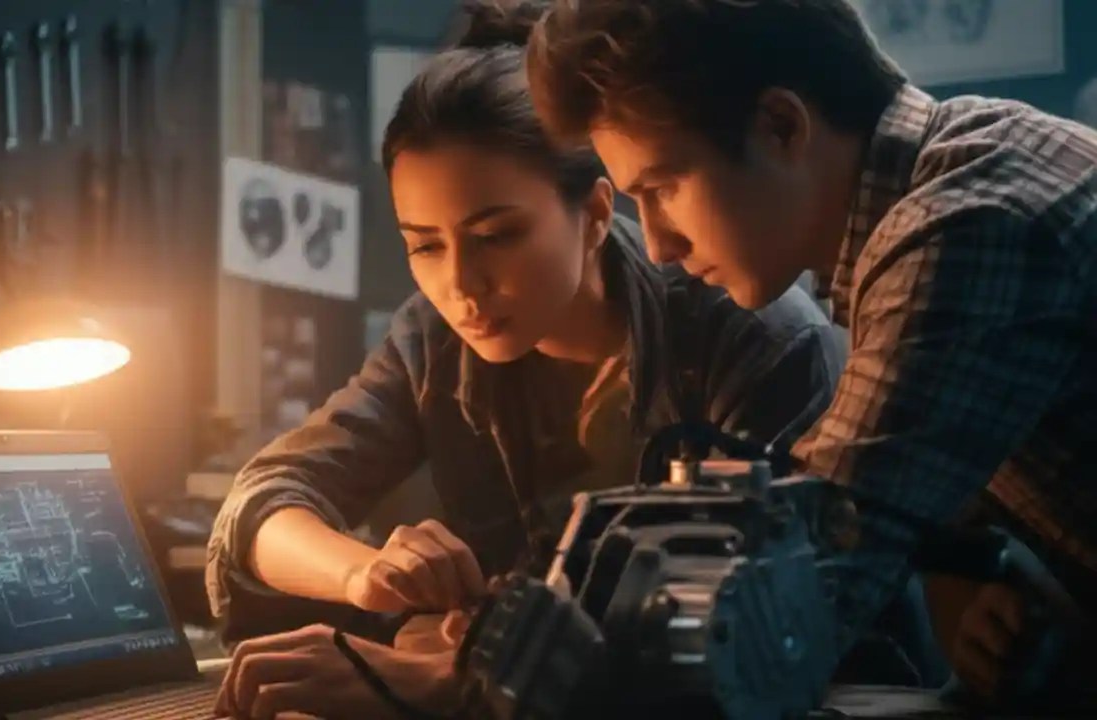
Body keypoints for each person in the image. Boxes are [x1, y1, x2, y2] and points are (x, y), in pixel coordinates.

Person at [207, 2, 843, 716]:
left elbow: (746, 638)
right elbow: (262, 501)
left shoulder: (751, 340)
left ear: (598, 213)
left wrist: (451, 682)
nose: (461, 285)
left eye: (498, 235)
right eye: (425, 245)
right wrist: (370, 574)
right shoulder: (435, 340)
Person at [525, 0, 1097, 708]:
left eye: (664, 188)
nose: (662, 248)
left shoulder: (964, 229)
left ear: (781, 124)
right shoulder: (978, 157)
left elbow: (797, 588)